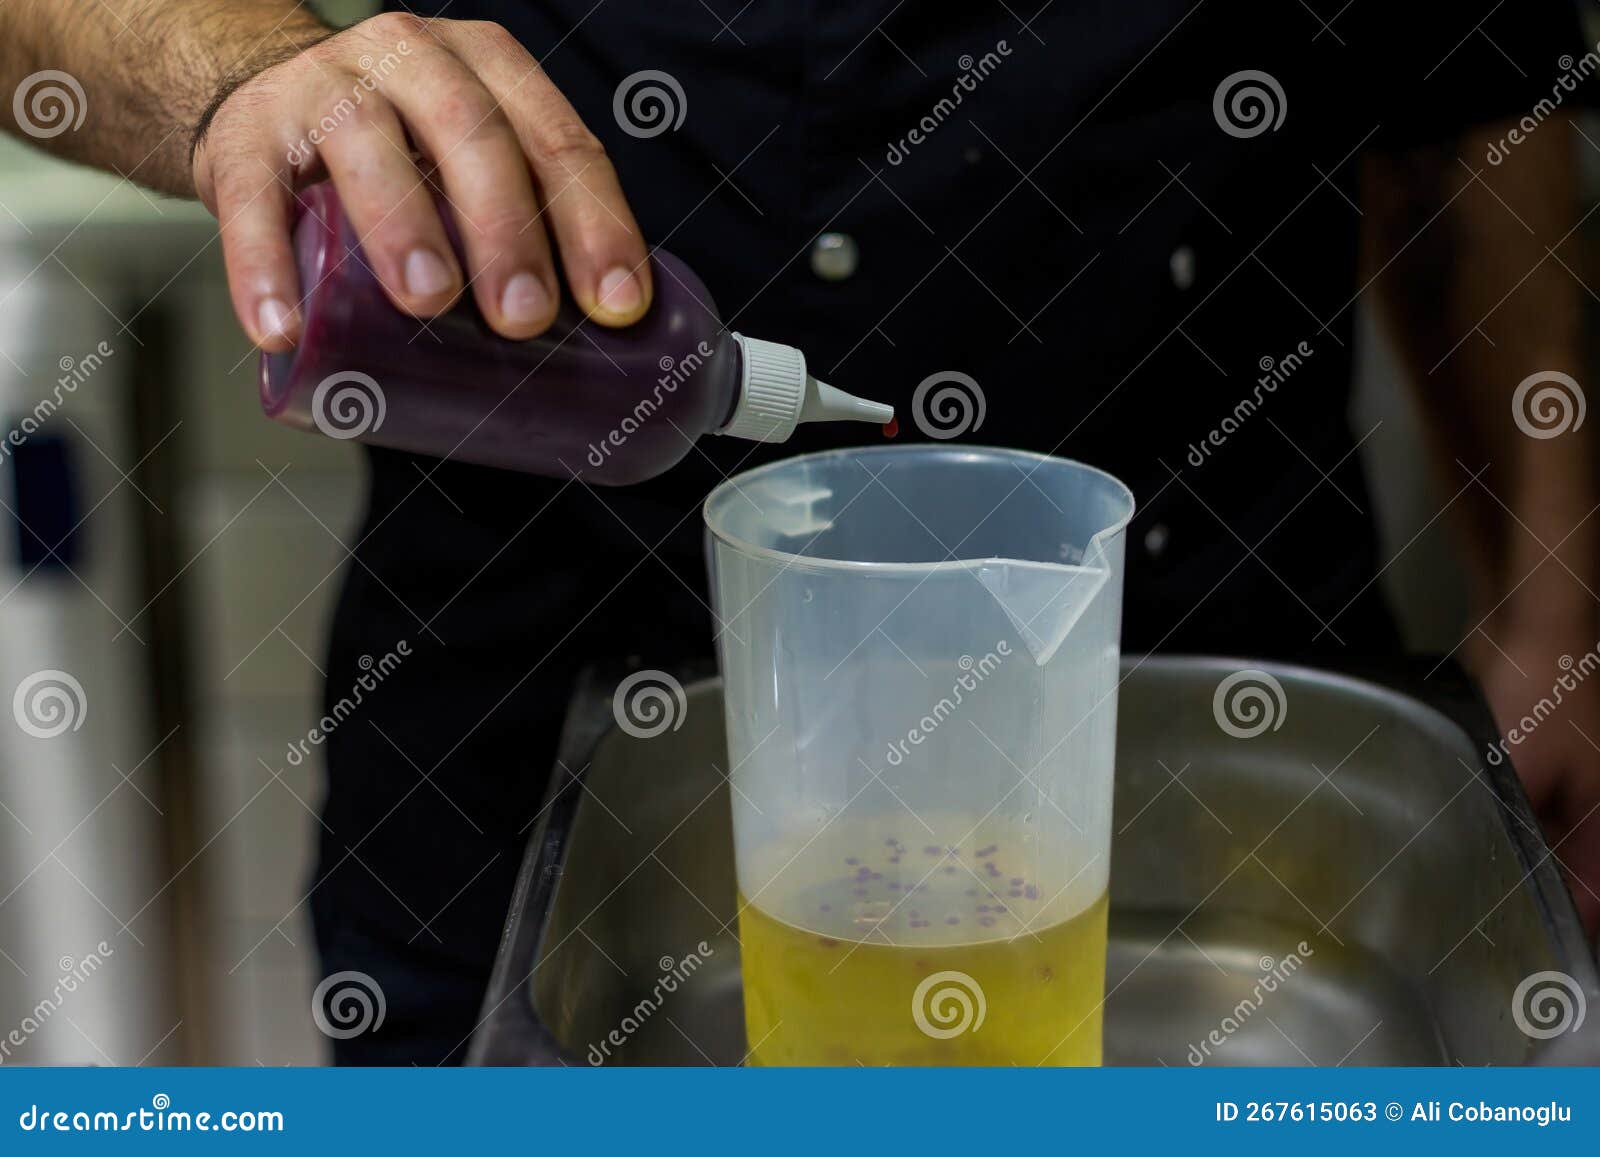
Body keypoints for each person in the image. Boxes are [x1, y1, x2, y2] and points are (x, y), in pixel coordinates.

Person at [4, 1, 1597, 1064]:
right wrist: (233, 74)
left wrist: (1557, 616)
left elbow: (1470, 100)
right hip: (532, 791)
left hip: (1228, 821)